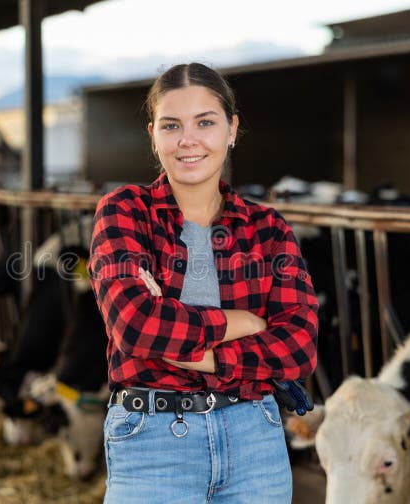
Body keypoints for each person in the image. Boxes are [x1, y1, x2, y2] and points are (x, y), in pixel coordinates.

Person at [88, 62, 318, 503]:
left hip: (256, 439)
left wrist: (191, 353)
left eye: (205, 122)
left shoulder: (267, 228)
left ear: (231, 130)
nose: (188, 140)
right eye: (172, 125)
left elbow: (298, 348)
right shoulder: (125, 211)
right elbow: (136, 327)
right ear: (153, 135)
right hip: (152, 438)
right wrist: (247, 322)